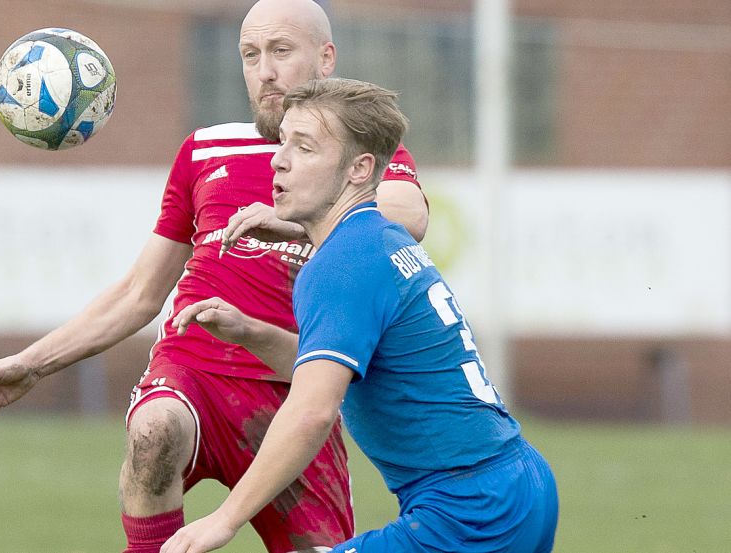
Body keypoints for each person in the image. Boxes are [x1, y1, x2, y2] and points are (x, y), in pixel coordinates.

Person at [0, 1, 428, 551]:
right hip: (194, 370)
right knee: (155, 430)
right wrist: (32, 364)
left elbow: (408, 216)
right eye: (251, 55)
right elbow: (140, 294)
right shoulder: (205, 149)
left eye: (281, 51)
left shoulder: (362, 151)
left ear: (326, 58)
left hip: (295, 387)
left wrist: (295, 221)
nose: (266, 71)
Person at [162, 78, 559, 553]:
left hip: (469, 509)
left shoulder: (343, 263)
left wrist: (223, 520)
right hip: (514, 484)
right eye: (282, 140)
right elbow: (338, 374)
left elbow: (312, 411)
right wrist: (249, 331)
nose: (278, 158)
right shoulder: (379, 238)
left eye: (304, 147)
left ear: (359, 168)